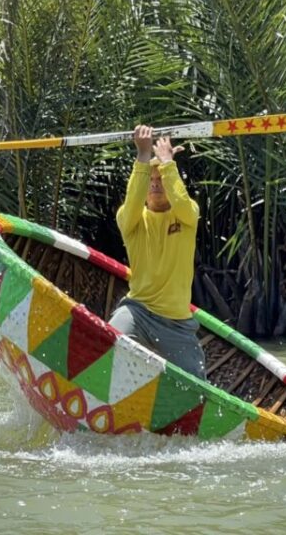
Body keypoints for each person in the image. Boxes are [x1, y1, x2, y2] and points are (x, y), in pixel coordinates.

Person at [109, 124, 205, 380]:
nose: (155, 185)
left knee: (196, 386)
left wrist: (167, 164)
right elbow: (132, 198)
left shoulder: (187, 216)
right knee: (110, 341)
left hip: (177, 322)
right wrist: (142, 156)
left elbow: (182, 201)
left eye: (159, 179)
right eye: (150, 181)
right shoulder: (130, 220)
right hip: (138, 311)